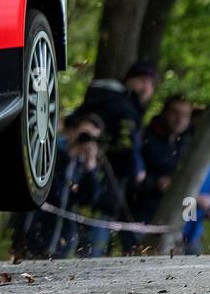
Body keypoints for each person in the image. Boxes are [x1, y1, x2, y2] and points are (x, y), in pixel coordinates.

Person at [81, 61, 157, 253]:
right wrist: (137, 170)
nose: (147, 88)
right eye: (143, 81)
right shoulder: (123, 107)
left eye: (150, 83)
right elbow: (127, 147)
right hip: (102, 181)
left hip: (98, 180)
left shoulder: (112, 101)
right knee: (94, 240)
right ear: (130, 81)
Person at [15, 111, 106, 258]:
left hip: (61, 238)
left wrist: (90, 167)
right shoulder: (50, 152)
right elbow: (49, 190)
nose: (86, 140)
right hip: (33, 228)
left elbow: (88, 200)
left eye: (93, 138)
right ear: (71, 131)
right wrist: (69, 156)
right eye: (84, 134)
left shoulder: (83, 166)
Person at [137, 94, 194, 224]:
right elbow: (131, 172)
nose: (180, 119)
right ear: (165, 113)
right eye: (175, 113)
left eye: (185, 115)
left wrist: (189, 220)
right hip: (140, 214)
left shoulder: (191, 145)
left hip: (176, 219)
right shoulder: (144, 137)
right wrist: (156, 182)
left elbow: (192, 187)